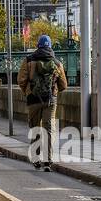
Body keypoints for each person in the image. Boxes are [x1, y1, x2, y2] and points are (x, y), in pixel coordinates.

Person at [19, 34, 68, 170]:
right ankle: (48, 160)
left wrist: (27, 92)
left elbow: (21, 80)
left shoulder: (28, 60)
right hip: (50, 100)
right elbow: (63, 84)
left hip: (33, 99)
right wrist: (54, 91)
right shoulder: (57, 63)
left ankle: (35, 158)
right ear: (50, 46)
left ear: (37, 45)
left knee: (35, 128)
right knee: (49, 129)